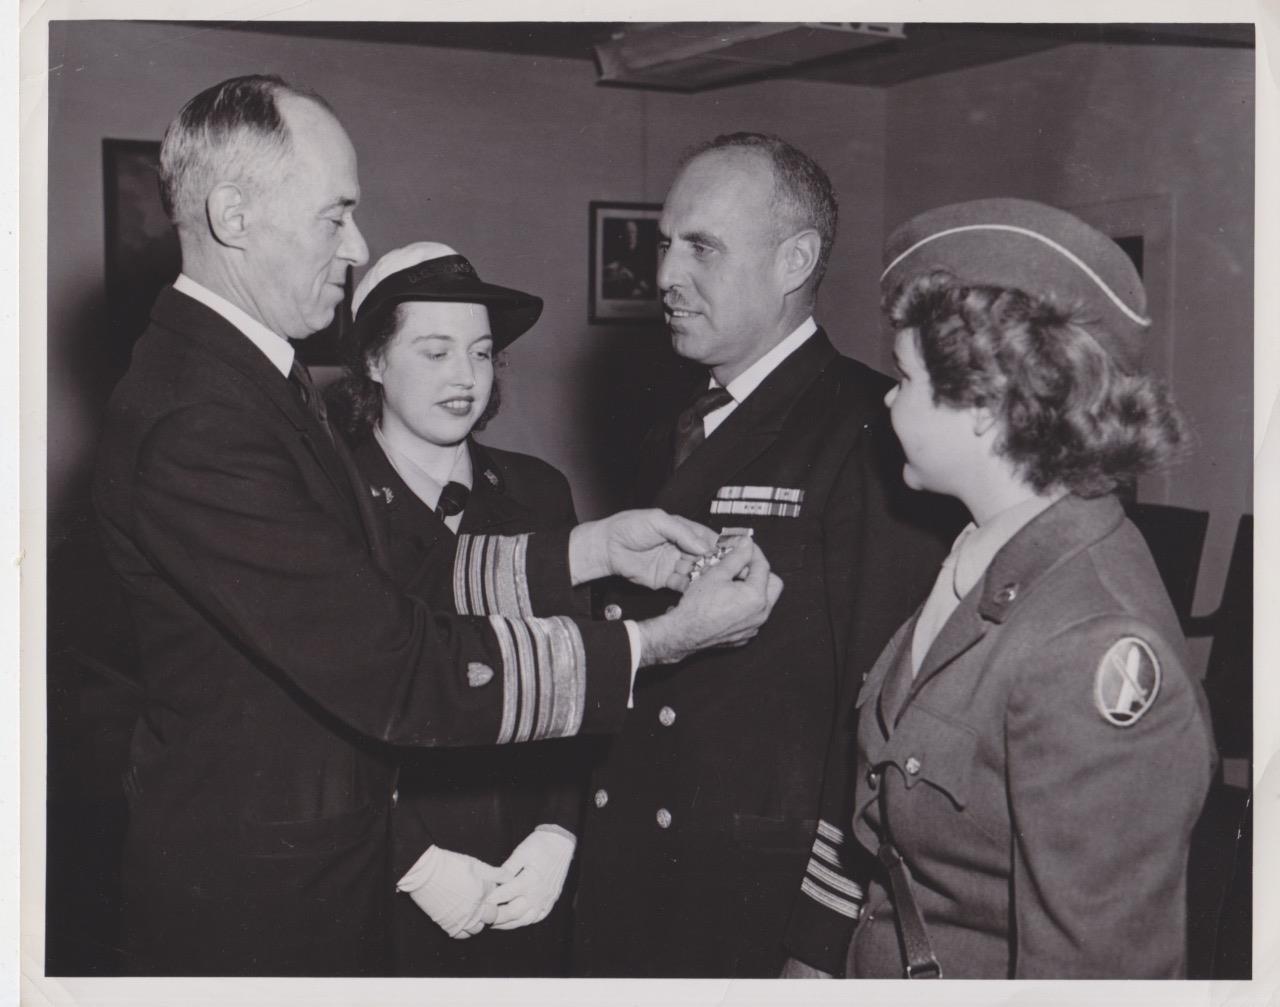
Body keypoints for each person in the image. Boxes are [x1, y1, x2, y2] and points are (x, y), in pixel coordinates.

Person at [92, 75, 781, 977]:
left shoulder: (247, 379)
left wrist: (590, 547)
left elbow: (384, 575)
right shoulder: (205, 418)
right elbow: (396, 661)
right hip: (267, 916)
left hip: (307, 884)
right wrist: (656, 644)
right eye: (335, 214)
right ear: (233, 214)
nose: (356, 244)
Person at [782, 197, 1215, 979]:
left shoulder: (1088, 642)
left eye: (906, 378)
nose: (887, 396)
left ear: (983, 407)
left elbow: (1100, 975)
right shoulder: (984, 550)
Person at [570, 133, 950, 977]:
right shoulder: (673, 426)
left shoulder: (870, 434)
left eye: (701, 246)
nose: (665, 274)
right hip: (640, 870)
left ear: (795, 261)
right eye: (665, 244)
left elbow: (879, 717)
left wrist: (820, 938)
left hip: (751, 900)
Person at [326, 240, 589, 975]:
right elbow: (312, 715)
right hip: (385, 883)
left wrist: (558, 830)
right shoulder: (327, 501)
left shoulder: (540, 492)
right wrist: (410, 859)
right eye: (435, 350)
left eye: (479, 353)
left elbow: (573, 668)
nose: (464, 377)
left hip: (527, 881)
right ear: (373, 361)